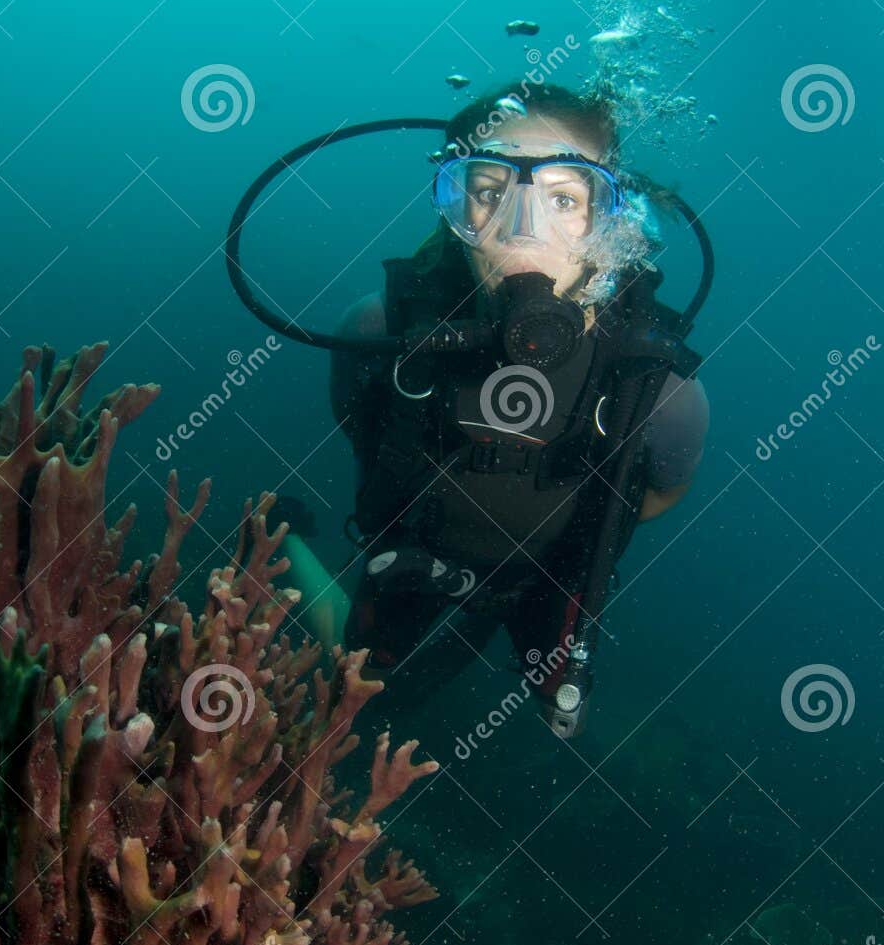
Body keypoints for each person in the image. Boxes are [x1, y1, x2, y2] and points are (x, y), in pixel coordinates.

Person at [277, 79, 709, 736]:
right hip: (417, 552)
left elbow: (655, 494)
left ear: (608, 222)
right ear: (452, 210)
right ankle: (284, 535)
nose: (522, 232)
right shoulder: (377, 330)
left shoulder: (660, 392)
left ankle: (482, 615)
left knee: (561, 718)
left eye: (564, 198)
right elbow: (362, 430)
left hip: (548, 575)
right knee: (364, 697)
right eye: (487, 193)